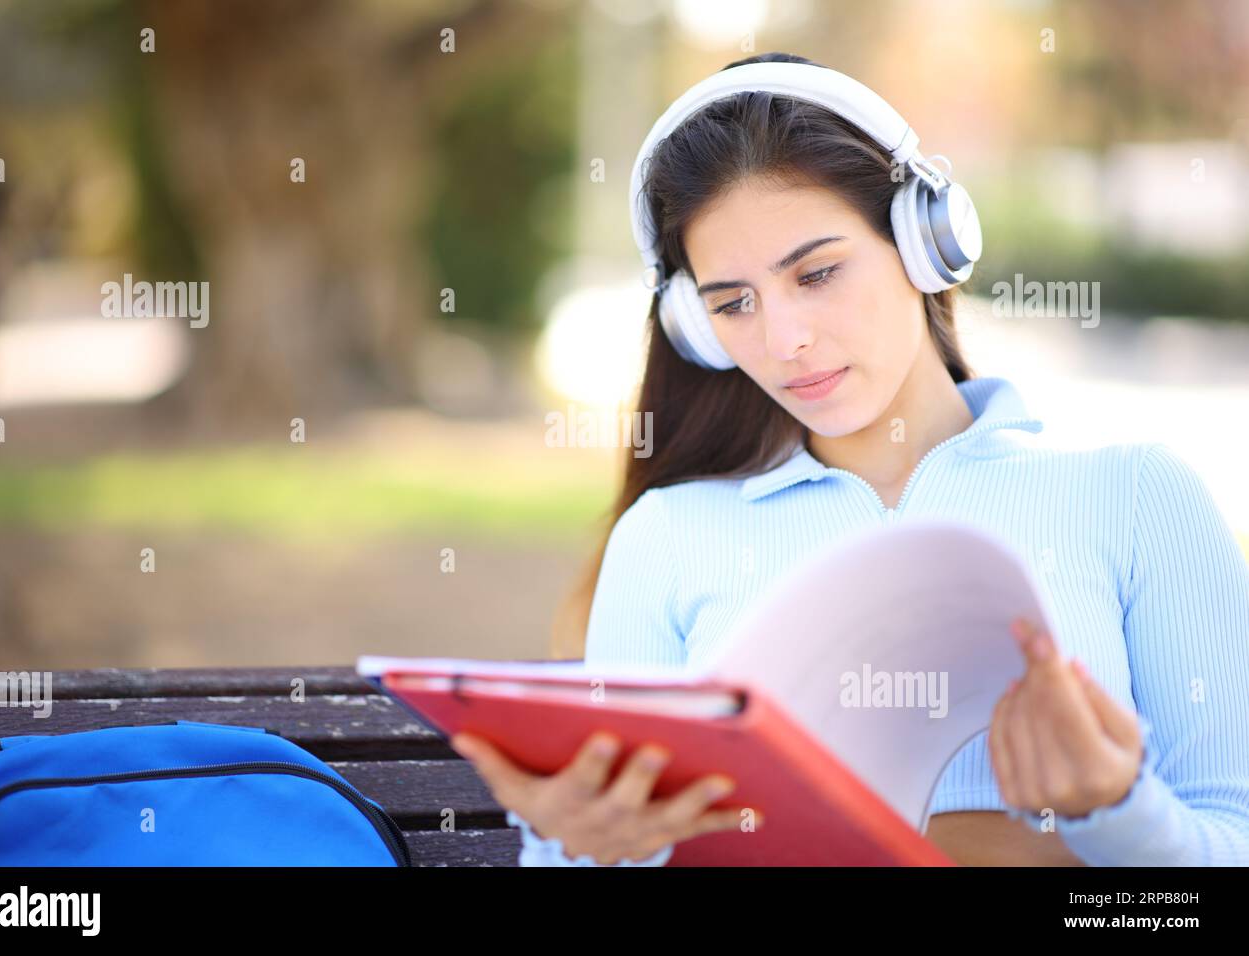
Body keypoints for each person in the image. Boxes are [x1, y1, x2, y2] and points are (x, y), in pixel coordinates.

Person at [450, 52, 1249, 866]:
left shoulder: (1137, 498)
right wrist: (580, 848)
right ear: (698, 328)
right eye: (734, 303)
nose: (784, 339)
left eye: (819, 273)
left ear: (925, 240)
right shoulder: (666, 536)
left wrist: (1114, 812)